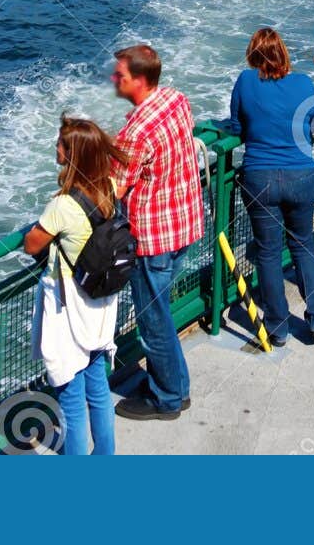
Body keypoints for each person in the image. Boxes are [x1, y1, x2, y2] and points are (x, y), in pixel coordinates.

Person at [111, 44, 204, 421]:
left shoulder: (136, 130)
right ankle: (176, 388)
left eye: (121, 75)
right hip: (184, 223)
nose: (114, 79)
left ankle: (167, 397)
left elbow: (115, 188)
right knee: (161, 313)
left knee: (153, 322)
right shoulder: (176, 100)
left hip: (152, 239)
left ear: (140, 79)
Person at [24, 116, 127, 454]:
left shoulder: (62, 206)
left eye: (61, 145)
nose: (56, 148)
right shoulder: (110, 187)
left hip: (68, 310)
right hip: (100, 306)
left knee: (70, 398)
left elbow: (32, 244)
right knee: (98, 390)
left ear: (73, 155)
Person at [229, 27, 314, 346]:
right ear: (283, 53)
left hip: (261, 177)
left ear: (253, 55)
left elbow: (236, 127)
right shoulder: (302, 83)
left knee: (269, 253)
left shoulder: (245, 81)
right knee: (303, 244)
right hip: (301, 176)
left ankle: (278, 326)